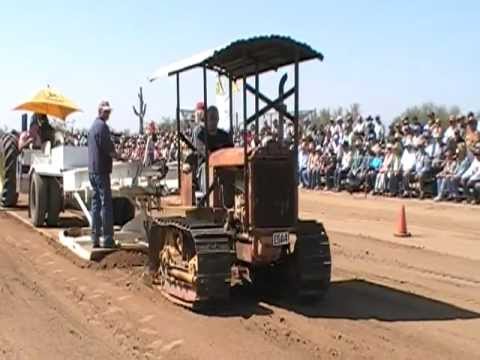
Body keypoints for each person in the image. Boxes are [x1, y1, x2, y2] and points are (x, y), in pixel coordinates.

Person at [88, 101, 117, 249]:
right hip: (101, 170)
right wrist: (118, 155)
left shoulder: (92, 126)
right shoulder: (102, 127)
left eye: (108, 112)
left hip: (92, 171)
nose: (108, 114)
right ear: (100, 111)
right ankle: (107, 238)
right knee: (105, 204)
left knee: (95, 204)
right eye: (105, 112)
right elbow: (108, 148)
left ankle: (95, 238)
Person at [195, 106, 233, 194]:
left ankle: (231, 200)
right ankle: (209, 198)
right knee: (207, 167)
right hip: (206, 167)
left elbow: (230, 151)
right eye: (211, 118)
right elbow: (207, 154)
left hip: (223, 165)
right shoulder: (200, 136)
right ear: (206, 119)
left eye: (215, 118)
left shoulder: (224, 135)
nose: (213, 121)